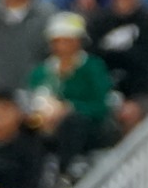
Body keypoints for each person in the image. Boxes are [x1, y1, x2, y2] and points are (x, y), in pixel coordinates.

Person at [26, 12, 116, 176]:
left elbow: (101, 106)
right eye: (58, 41)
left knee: (72, 123)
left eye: (67, 40)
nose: (62, 46)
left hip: (87, 127)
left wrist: (69, 108)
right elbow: (34, 98)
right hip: (48, 125)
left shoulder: (93, 67)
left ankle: (64, 172)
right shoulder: (42, 71)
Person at [85, 0, 148, 131]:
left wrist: (112, 54)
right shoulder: (98, 20)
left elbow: (144, 60)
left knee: (131, 114)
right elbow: (94, 56)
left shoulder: (147, 22)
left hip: (137, 90)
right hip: (102, 87)